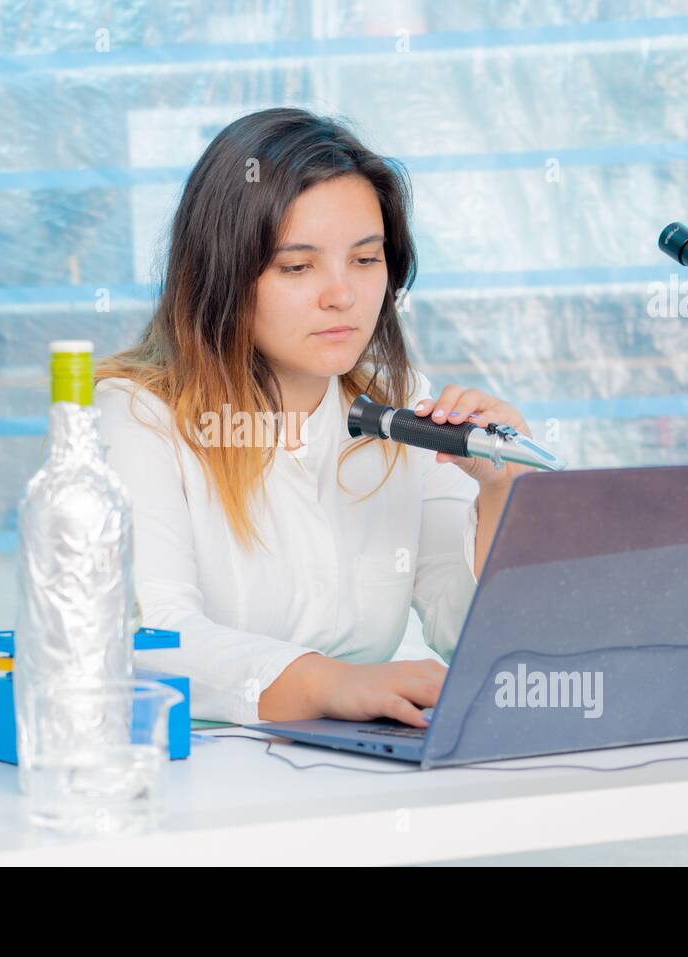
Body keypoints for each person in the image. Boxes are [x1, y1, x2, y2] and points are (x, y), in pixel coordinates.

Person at [95, 108, 534, 727]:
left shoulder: (404, 403)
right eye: (297, 267)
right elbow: (150, 636)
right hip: (195, 784)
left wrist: (499, 491)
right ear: (219, 275)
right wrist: (333, 685)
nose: (343, 295)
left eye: (365, 260)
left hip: (350, 776)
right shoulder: (137, 415)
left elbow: (472, 632)